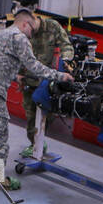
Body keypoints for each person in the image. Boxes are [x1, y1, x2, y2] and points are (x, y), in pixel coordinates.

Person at [0, 9, 72, 184]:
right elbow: (34, 66)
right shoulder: (19, 37)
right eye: (31, 29)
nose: (31, 34)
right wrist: (60, 76)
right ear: (24, 24)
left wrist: (16, 76)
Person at [18, 12, 74, 154]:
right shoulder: (22, 31)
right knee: (30, 117)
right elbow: (16, 53)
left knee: (48, 115)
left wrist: (66, 61)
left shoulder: (52, 27)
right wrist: (18, 73)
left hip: (47, 82)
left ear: (33, 21)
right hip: (28, 80)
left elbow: (66, 45)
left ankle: (40, 141)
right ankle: (34, 144)